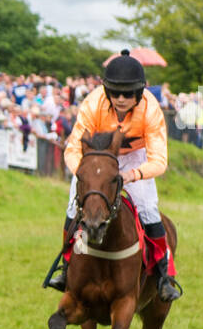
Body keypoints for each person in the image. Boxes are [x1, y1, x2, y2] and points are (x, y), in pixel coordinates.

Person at [43, 50, 182, 300]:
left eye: (127, 93)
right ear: (107, 91)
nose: (120, 98)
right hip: (96, 159)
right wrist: (86, 175)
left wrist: (132, 175)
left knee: (149, 209)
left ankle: (164, 276)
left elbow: (159, 160)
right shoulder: (92, 103)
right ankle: (66, 267)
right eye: (115, 92)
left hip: (135, 158)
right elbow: (73, 147)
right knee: (73, 209)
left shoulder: (151, 111)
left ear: (139, 92)